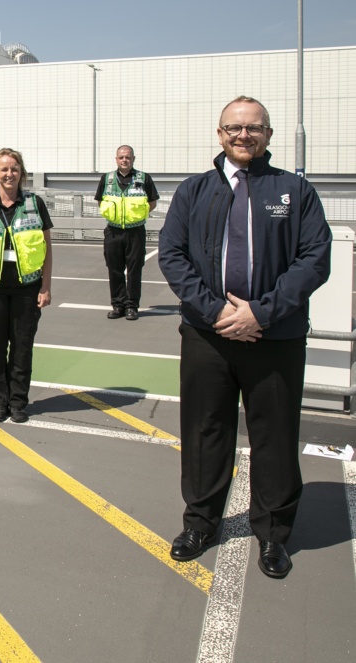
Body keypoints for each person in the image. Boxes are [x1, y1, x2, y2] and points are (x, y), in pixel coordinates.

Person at [159, 96, 332, 578]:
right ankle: (200, 522)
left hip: (274, 338)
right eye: (234, 128)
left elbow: (315, 260)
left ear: (268, 136)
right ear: (219, 134)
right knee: (204, 431)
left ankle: (274, 534)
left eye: (253, 128)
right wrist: (218, 312)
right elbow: (172, 256)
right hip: (207, 337)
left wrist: (261, 313)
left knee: (274, 437)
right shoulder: (193, 192)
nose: (243, 135)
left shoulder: (295, 192)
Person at [0, 148, 53, 424]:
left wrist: (45, 287)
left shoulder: (34, 204)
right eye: (4, 169)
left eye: (14, 169)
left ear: (21, 173)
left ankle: (18, 402)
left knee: (22, 346)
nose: (9, 174)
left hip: (27, 288)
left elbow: (48, 249)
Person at [94, 145, 158, 320]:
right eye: (121, 157)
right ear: (116, 159)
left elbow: (152, 203)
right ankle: (118, 305)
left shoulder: (144, 178)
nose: (124, 160)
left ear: (133, 159)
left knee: (134, 270)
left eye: (128, 157)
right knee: (114, 269)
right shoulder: (106, 179)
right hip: (113, 232)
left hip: (135, 232)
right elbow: (101, 202)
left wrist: (134, 217)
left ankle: (132, 306)